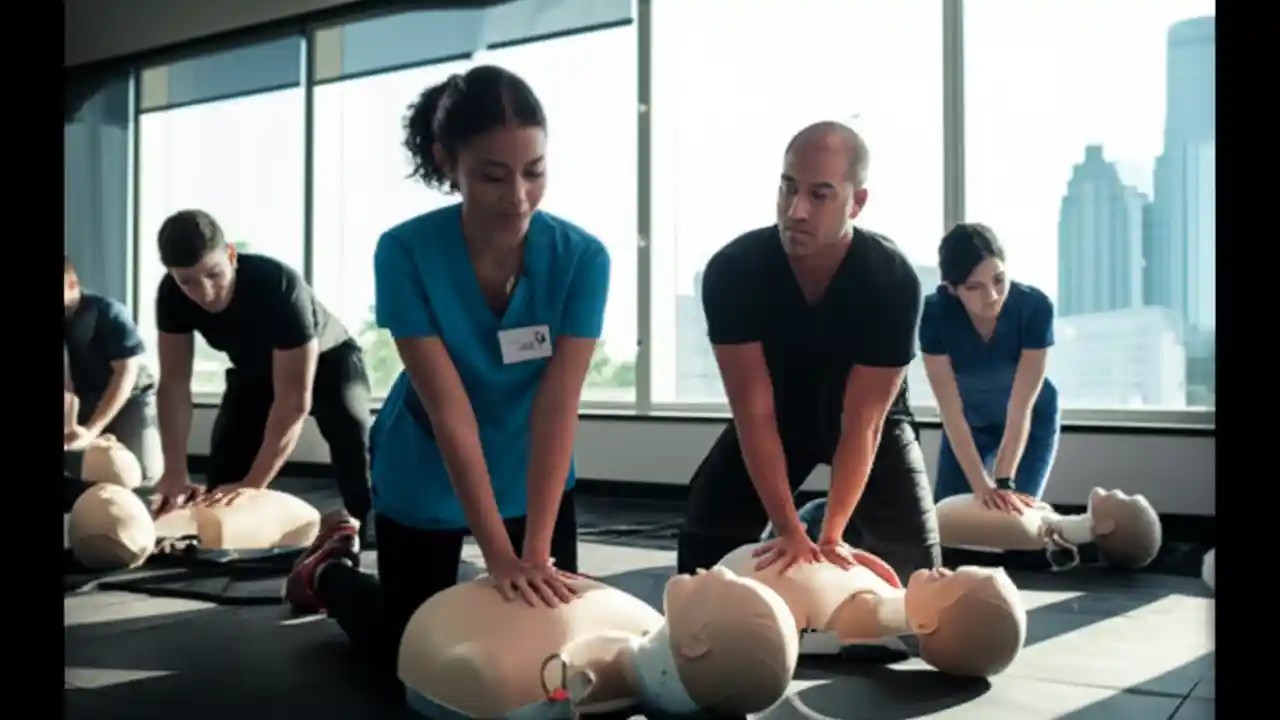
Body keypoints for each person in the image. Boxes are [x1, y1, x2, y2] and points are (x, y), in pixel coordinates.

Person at [283, 65, 611, 687]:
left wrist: (533, 551)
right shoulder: (404, 251)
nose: (517, 195)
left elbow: (557, 403)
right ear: (448, 161)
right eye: (493, 175)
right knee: (406, 655)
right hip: (429, 459)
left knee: (552, 648)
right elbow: (449, 409)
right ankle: (327, 572)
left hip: (529, 462)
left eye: (534, 171)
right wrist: (495, 557)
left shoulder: (583, 257)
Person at [677, 121, 941, 583]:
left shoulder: (891, 280)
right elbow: (753, 415)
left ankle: (827, 516)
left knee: (918, 583)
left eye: (820, 195)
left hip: (870, 425)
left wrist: (832, 537)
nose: (795, 210)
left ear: (856, 202)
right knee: (702, 555)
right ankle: (808, 516)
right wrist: (787, 529)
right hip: (776, 418)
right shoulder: (733, 272)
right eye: (788, 188)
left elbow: (865, 422)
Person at [149, 209, 374, 534]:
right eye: (188, 282)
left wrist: (253, 487)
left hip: (330, 361)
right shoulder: (171, 295)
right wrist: (174, 472)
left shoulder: (278, 286)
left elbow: (293, 402)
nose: (206, 293)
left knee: (349, 430)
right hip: (254, 371)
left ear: (230, 255)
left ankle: (367, 526)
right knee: (223, 480)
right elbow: (173, 384)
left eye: (213, 274)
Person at [918, 223, 1060, 513]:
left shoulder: (1035, 308)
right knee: (949, 517)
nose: (992, 295)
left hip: (1030, 420)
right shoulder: (935, 314)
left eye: (999, 280)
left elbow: (1021, 405)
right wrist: (981, 484)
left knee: (1016, 517)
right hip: (967, 421)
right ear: (951, 288)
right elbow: (950, 410)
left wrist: (1003, 480)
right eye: (974, 287)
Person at [63, 254, 163, 485]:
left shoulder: (108, 312)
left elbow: (125, 374)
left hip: (130, 395)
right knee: (83, 469)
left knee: (141, 472)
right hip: (85, 394)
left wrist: (93, 429)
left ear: (72, 284)